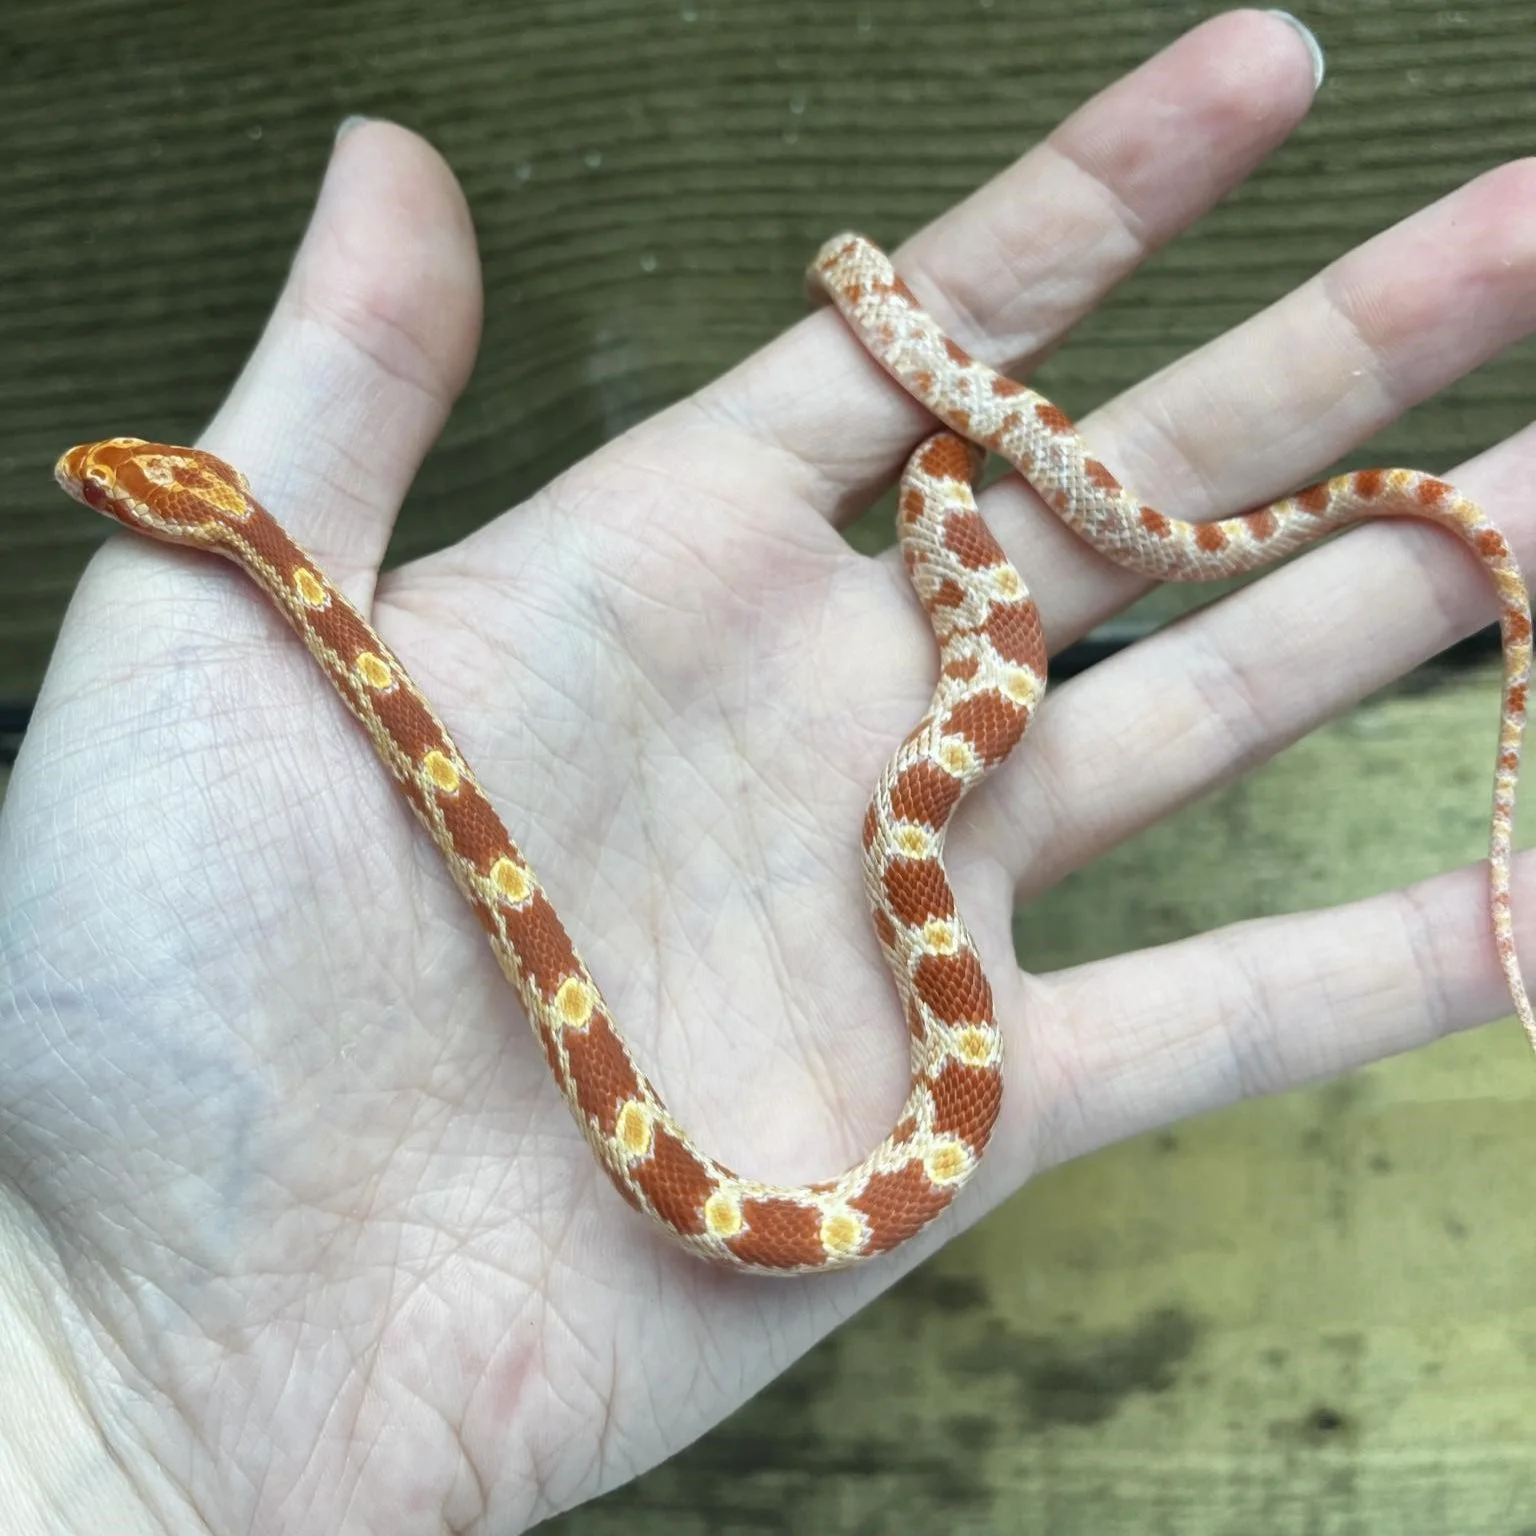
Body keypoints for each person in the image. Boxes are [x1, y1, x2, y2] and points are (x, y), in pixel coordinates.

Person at [0, 10, 1530, 1531]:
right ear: (198, 512)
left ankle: (1183, 495)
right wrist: (94, 1375)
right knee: (941, 534)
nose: (99, 480)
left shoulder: (289, 571)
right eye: (109, 487)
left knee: (930, 675)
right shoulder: (279, 591)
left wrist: (105, 1411)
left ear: (190, 512)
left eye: (110, 482)